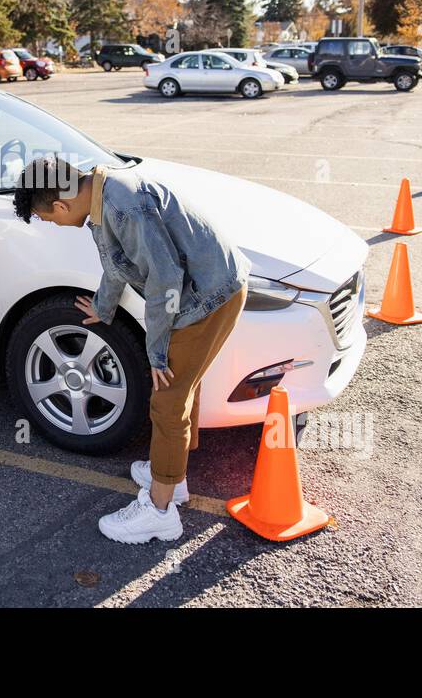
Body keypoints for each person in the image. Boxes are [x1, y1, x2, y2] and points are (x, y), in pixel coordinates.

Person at [13, 154, 251, 543]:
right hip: (206, 289)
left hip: (208, 297)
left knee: (169, 397)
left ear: (61, 204)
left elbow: (165, 280)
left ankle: (160, 512)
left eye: (48, 218)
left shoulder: (122, 206)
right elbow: (120, 262)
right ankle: (171, 480)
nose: (53, 224)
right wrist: (103, 306)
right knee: (180, 390)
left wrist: (156, 351)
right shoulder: (100, 191)